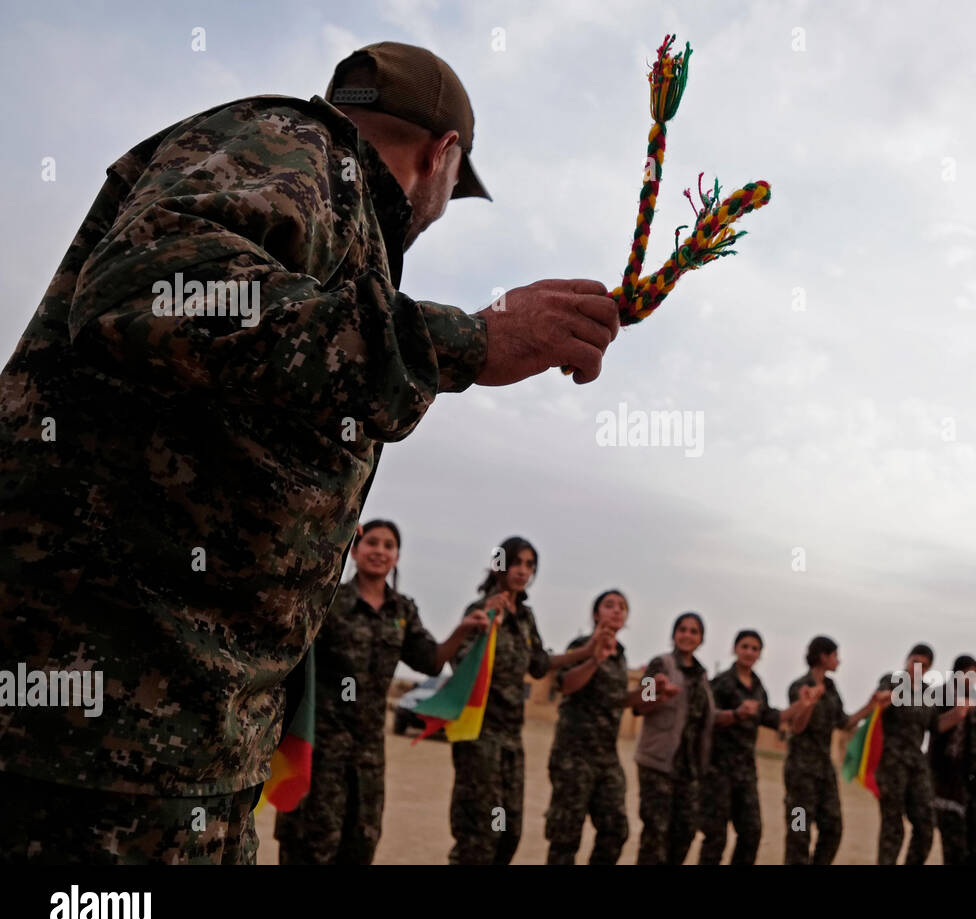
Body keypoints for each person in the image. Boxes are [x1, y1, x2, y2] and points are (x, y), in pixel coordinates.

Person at [0, 41, 619, 863]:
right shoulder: (303, 150)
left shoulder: (333, 202)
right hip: (89, 746)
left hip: (173, 747)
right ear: (444, 156)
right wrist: (467, 341)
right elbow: (146, 291)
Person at [275, 520, 486, 864]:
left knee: (360, 845)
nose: (380, 551)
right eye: (372, 542)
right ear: (354, 551)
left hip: (368, 756)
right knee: (310, 846)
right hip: (322, 748)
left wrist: (462, 631)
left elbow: (431, 661)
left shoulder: (401, 610)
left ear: (397, 556)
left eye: (389, 545)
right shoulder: (328, 600)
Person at [449, 537, 594, 865]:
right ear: (500, 565)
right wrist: (486, 627)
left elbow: (539, 664)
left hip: (511, 739)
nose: (523, 571)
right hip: (479, 735)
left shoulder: (525, 617)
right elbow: (459, 664)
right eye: (517, 562)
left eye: (530, 565)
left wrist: (585, 653)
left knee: (508, 830)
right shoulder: (480, 610)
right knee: (479, 832)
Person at [544, 590, 643, 865]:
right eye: (609, 605)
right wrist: (594, 659)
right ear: (596, 613)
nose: (616, 611)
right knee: (565, 836)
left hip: (606, 758)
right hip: (573, 756)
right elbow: (566, 685)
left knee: (615, 830)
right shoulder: (581, 644)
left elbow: (619, 701)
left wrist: (652, 692)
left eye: (622, 607)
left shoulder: (620, 655)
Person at [699, 630, 792, 865]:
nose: (749, 652)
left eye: (755, 648)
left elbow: (771, 717)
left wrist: (802, 704)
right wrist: (736, 715)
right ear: (735, 649)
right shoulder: (721, 683)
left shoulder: (758, 686)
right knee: (715, 838)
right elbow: (707, 716)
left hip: (746, 774)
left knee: (751, 833)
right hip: (717, 770)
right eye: (745, 647)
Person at [784, 636, 877, 865]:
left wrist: (870, 706)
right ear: (823, 656)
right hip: (800, 772)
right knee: (799, 829)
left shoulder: (831, 689)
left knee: (834, 827)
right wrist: (809, 704)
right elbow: (796, 727)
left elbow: (844, 723)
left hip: (824, 772)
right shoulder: (800, 686)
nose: (839, 660)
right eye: (835, 655)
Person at [633, 613, 715, 865]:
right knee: (656, 834)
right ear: (673, 634)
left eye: (694, 631)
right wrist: (658, 692)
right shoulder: (661, 664)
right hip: (658, 763)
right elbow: (640, 702)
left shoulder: (701, 676)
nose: (687, 635)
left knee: (685, 832)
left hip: (688, 768)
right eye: (682, 629)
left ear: (701, 639)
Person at [876, 643, 965, 865]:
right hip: (891, 762)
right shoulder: (892, 680)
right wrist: (887, 698)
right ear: (907, 660)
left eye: (924, 665)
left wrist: (958, 714)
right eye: (915, 662)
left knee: (925, 827)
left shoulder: (927, 691)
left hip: (916, 764)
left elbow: (934, 725)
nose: (918, 668)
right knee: (893, 827)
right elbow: (879, 702)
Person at [930, 655, 976, 865]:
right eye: (969, 675)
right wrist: (956, 715)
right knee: (954, 845)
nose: (972, 680)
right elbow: (933, 727)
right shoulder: (940, 695)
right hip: (947, 781)